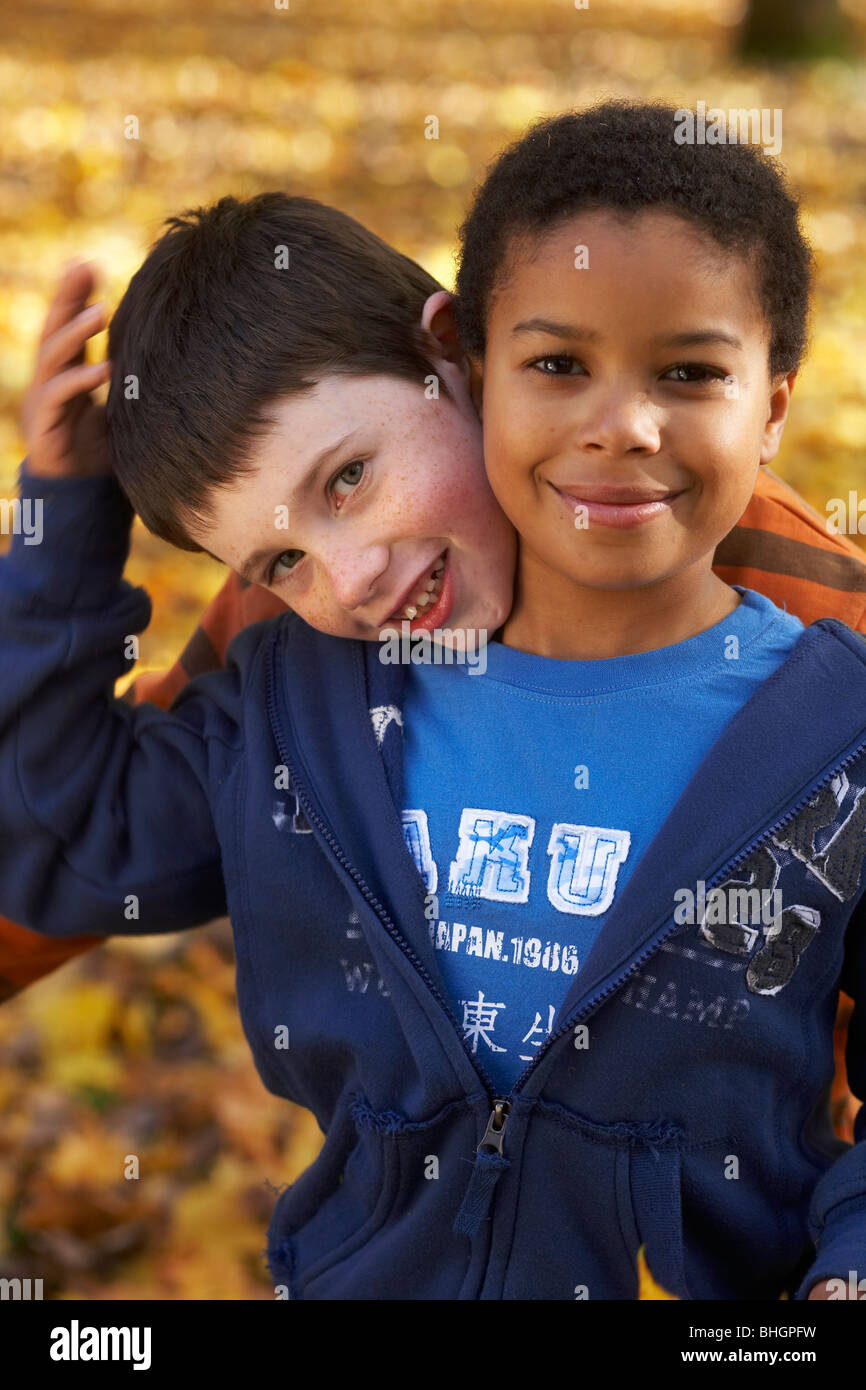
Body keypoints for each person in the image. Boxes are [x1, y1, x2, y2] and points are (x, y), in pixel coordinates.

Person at [1, 109, 865, 1299]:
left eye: (349, 477)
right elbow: (73, 827)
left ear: (449, 360)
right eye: (278, 562)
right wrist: (60, 519)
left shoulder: (818, 680)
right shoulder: (295, 701)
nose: (349, 572)